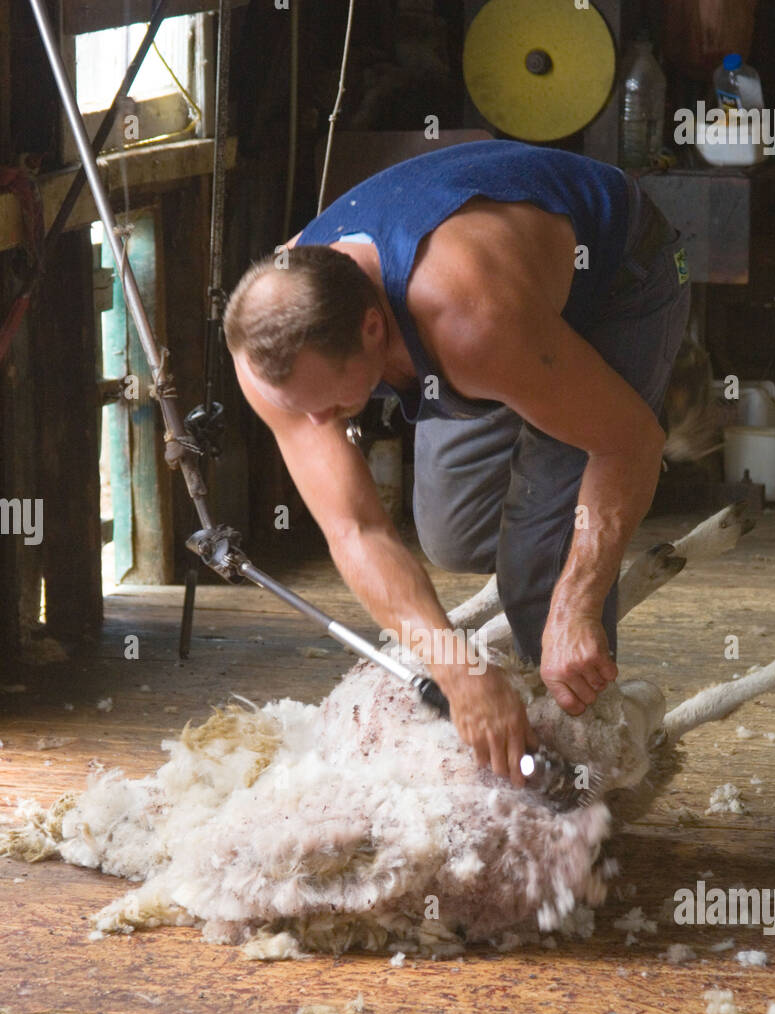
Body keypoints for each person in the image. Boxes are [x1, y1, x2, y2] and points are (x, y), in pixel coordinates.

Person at [224, 139, 690, 788]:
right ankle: (545, 428)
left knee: (540, 572)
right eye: (299, 410)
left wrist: (577, 602)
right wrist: (456, 669)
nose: (317, 428)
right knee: (453, 533)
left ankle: (576, 788)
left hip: (615, 280)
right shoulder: (268, 349)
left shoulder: (472, 320)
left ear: (370, 330)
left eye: (329, 406)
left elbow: (632, 443)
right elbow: (356, 531)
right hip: (503, 333)